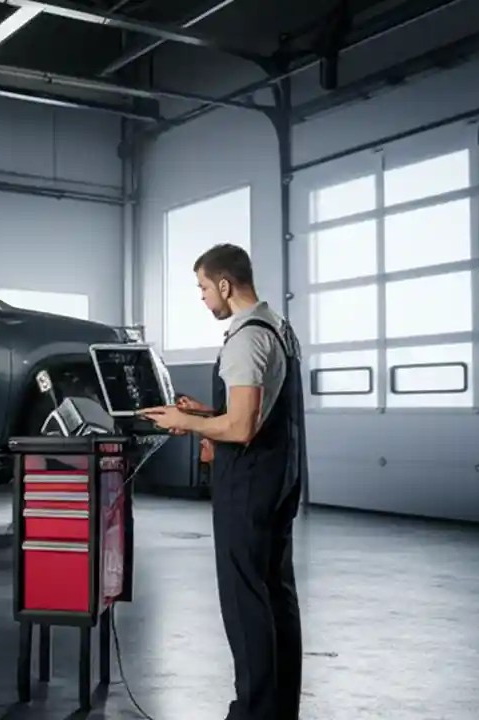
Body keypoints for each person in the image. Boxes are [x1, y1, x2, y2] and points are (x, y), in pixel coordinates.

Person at [139, 243, 307, 720]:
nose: (203, 297)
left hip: (248, 482)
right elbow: (255, 412)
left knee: (243, 598)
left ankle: (252, 711)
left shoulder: (245, 339)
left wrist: (184, 422)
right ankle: (278, 711)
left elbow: (241, 428)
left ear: (225, 285)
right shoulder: (279, 328)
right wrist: (204, 414)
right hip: (281, 477)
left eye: (203, 288)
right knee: (275, 591)